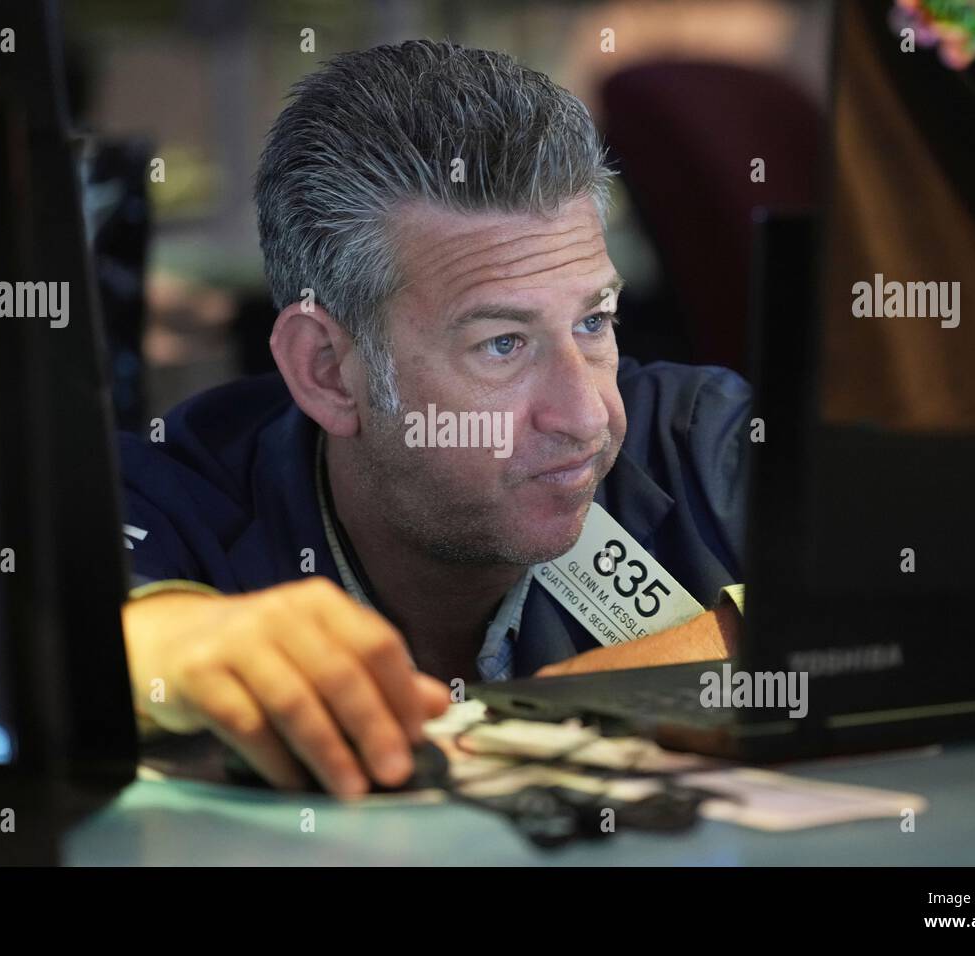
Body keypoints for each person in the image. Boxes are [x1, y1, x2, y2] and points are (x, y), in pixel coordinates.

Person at [119, 39, 751, 796]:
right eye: (502, 344)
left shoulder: (699, 440)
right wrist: (167, 637)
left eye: (594, 322)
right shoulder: (177, 498)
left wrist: (543, 716)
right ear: (328, 371)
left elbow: (910, 586)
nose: (587, 415)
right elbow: (31, 633)